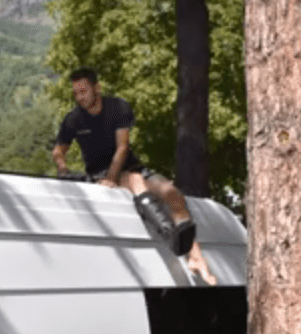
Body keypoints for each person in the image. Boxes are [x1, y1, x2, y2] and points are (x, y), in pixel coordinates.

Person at [52, 67, 217, 285]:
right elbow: (58, 151)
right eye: (76, 93)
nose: (80, 97)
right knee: (135, 181)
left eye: (83, 91)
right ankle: (169, 235)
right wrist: (63, 170)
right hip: (99, 175)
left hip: (126, 168)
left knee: (172, 192)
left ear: (97, 88)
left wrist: (113, 176)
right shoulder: (73, 119)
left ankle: (196, 258)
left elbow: (122, 147)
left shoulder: (118, 108)